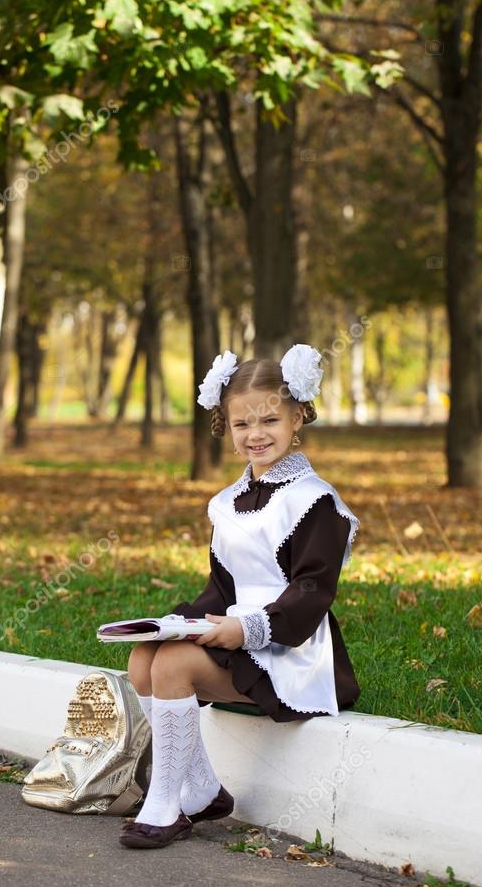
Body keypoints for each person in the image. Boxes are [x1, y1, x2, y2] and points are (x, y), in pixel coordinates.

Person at [119, 344, 361, 850]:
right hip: (237, 634)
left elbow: (312, 592)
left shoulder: (314, 501)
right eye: (241, 424)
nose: (256, 435)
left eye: (269, 420)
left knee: (172, 668)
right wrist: (174, 623)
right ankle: (202, 788)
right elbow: (222, 589)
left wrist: (245, 629)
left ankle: (165, 805)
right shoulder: (226, 503)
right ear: (225, 428)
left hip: (292, 650)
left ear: (299, 417)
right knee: (145, 657)